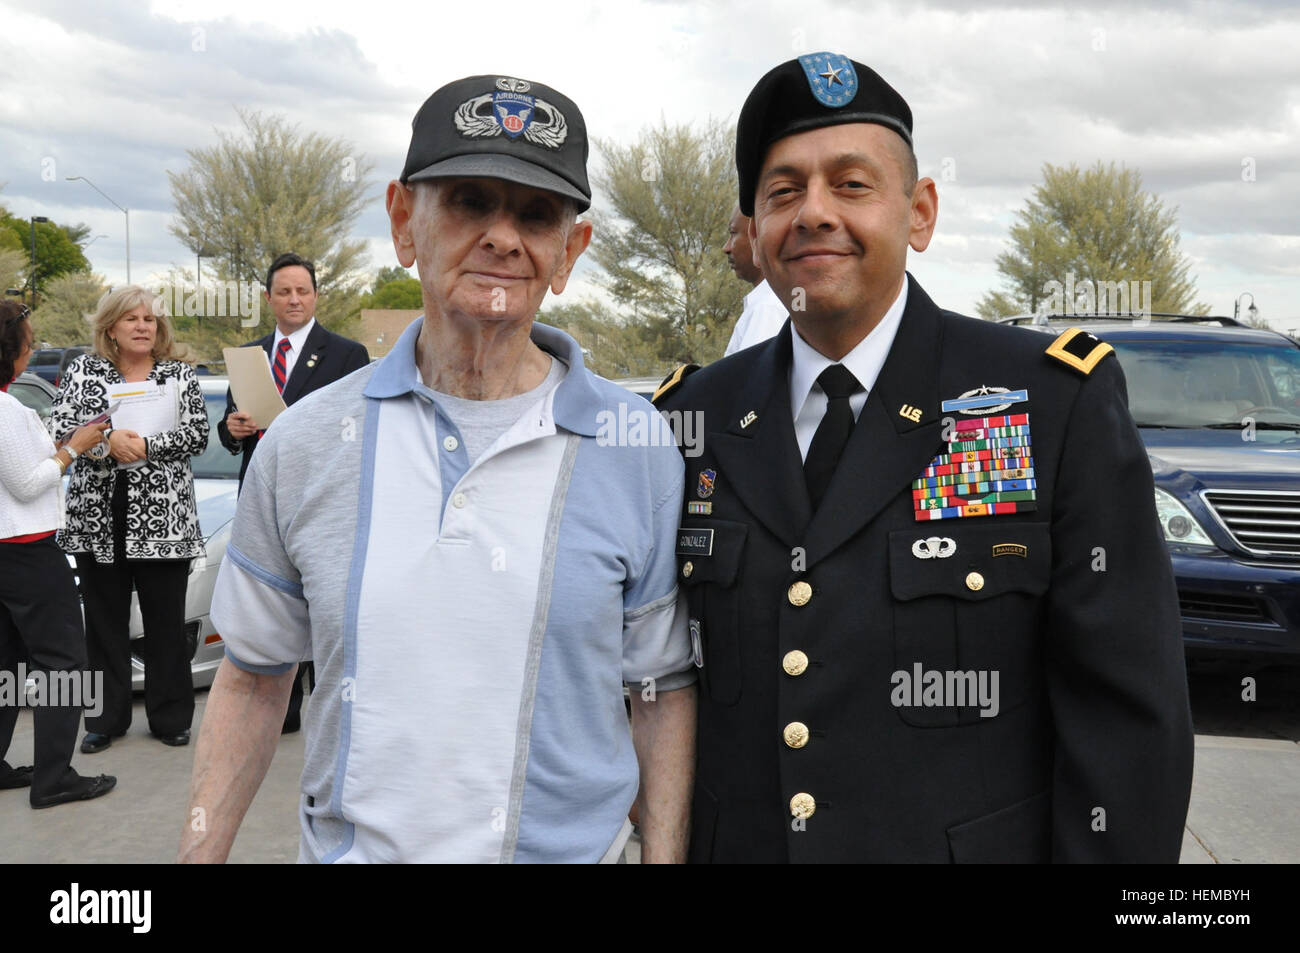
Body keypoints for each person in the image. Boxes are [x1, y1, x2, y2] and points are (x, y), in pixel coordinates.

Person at [654, 53, 1194, 863]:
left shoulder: (1047, 403)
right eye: (782, 192)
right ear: (755, 233)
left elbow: (1127, 719)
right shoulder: (691, 417)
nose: (814, 213)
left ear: (921, 213)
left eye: (852, 184)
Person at [180, 73, 696, 864]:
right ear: (403, 221)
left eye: (535, 213)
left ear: (570, 250)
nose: (501, 235)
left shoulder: (639, 447)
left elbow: (658, 693)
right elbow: (251, 679)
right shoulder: (307, 441)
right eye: (468, 201)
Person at [52, 286, 210, 752]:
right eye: (132, 319)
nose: (143, 327)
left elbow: (198, 433)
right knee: (102, 625)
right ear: (111, 328)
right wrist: (107, 442)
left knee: (166, 625)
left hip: (165, 522)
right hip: (97, 518)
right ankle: (104, 719)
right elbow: (61, 428)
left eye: (151, 320)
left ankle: (171, 718)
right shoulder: (83, 370)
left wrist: (146, 445)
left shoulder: (179, 374)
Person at [217, 252, 370, 733]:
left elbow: (358, 427)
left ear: (316, 295)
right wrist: (233, 427)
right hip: (262, 494)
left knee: (319, 598)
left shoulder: (347, 355)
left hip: (320, 496)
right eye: (284, 292)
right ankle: (277, 704)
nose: (294, 299)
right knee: (269, 596)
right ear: (268, 299)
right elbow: (227, 433)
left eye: (302, 290)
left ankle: (320, 699)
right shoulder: (249, 355)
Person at [0, 300, 116, 807]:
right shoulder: (6, 409)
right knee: (64, 664)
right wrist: (73, 448)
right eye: (29, 339)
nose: (33, 345)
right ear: (14, 351)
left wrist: (61, 444)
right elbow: (27, 484)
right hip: (27, 551)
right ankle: (54, 778)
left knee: (5, 663)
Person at [722, 204, 788, 356]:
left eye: (733, 233)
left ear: (757, 238)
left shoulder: (767, 309)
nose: (726, 247)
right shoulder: (772, 303)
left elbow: (753, 378)